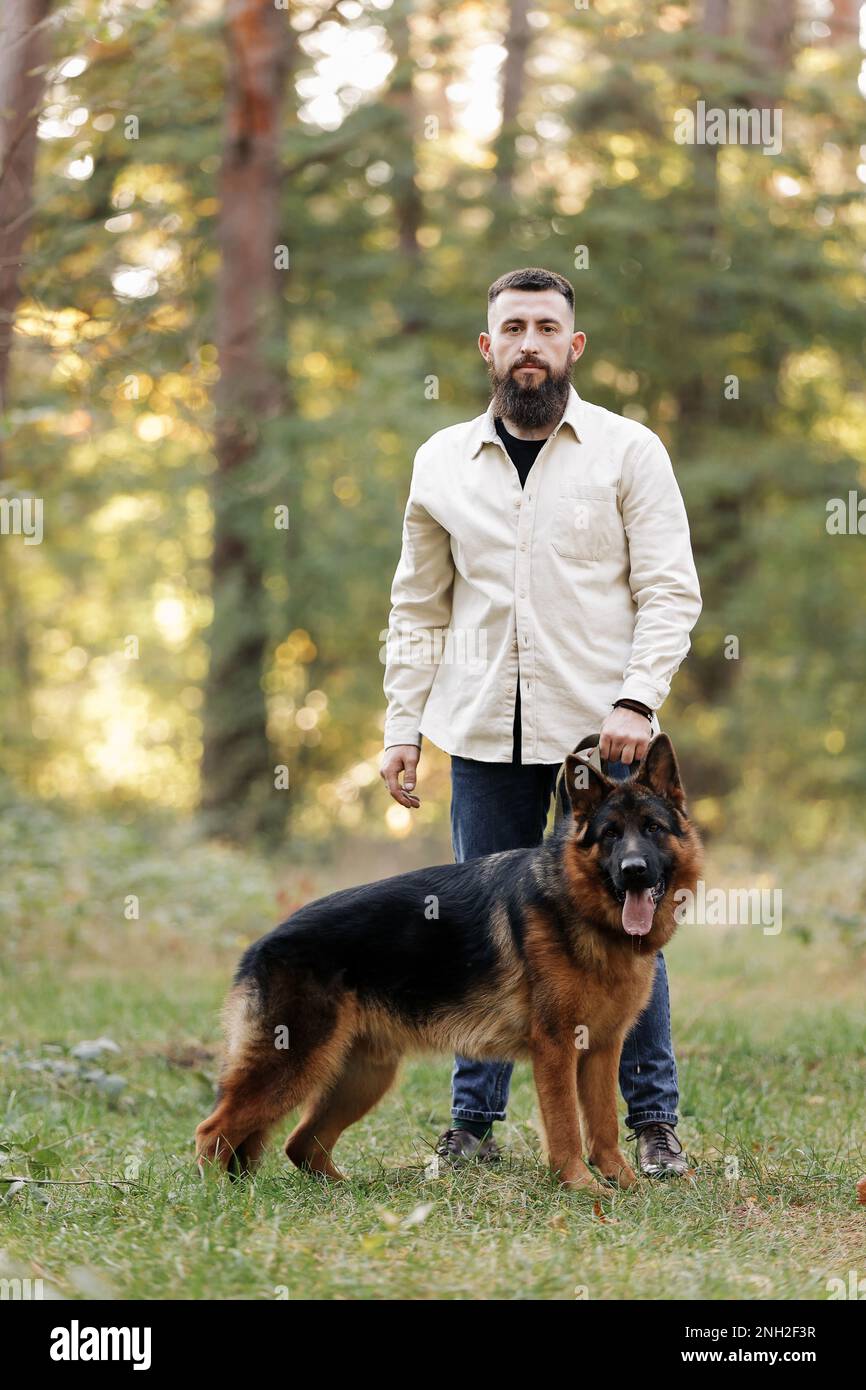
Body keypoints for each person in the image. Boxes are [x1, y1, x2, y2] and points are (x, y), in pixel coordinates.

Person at [380, 266, 702, 1177]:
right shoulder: (440, 460)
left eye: (545, 327)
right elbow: (418, 607)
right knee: (480, 929)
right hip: (481, 731)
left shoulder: (628, 450)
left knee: (629, 916)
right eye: (512, 327)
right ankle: (472, 1131)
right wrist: (404, 724)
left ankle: (651, 1126)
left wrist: (638, 697)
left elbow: (670, 588)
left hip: (603, 742)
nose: (529, 342)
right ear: (488, 348)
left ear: (573, 345)